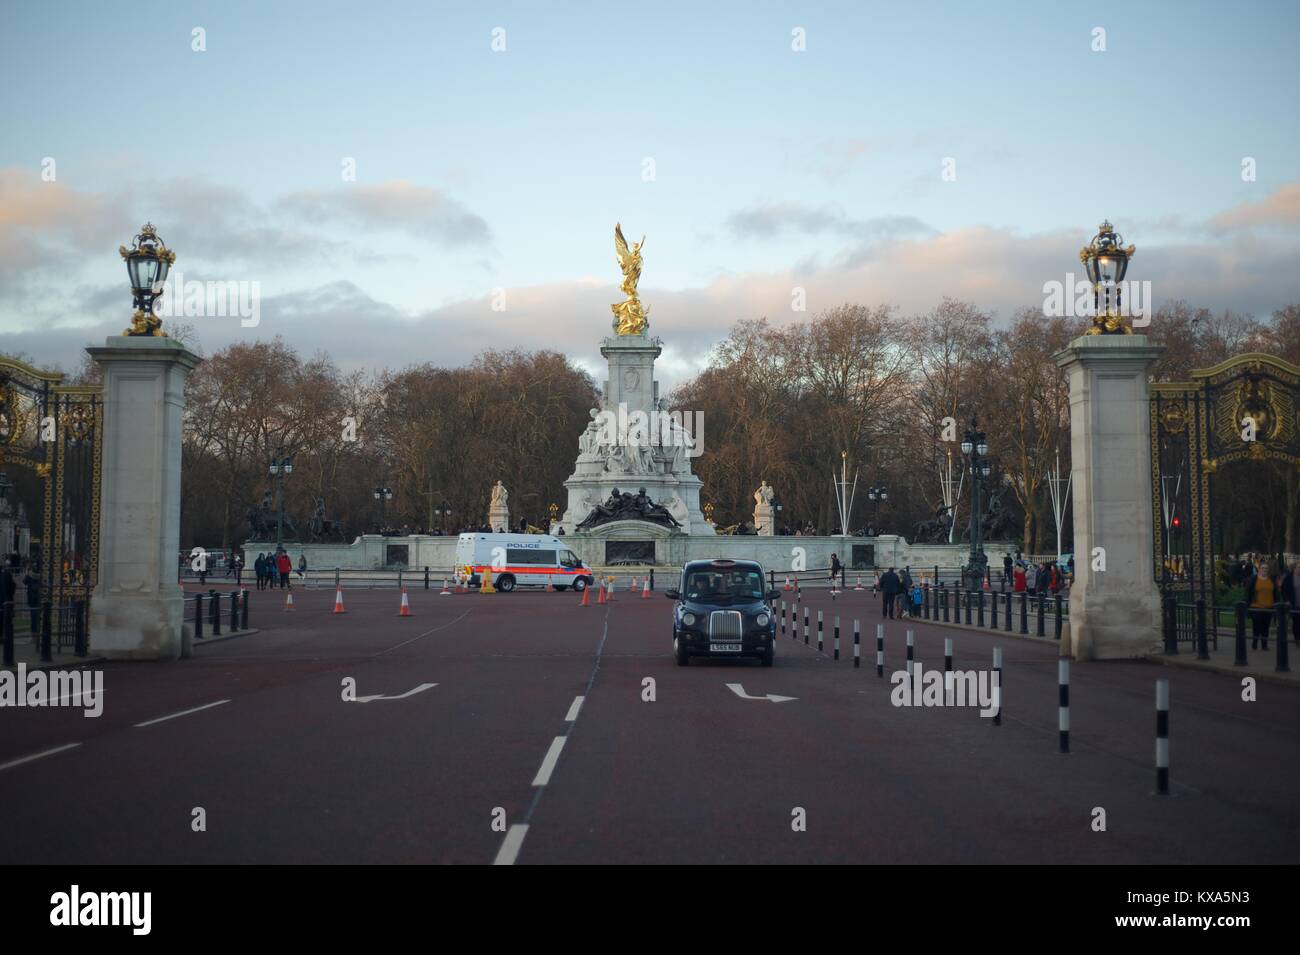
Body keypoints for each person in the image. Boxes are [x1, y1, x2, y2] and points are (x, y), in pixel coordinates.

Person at [1246, 559, 1278, 650]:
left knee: (1266, 627)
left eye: (1266, 568)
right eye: (1263, 568)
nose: (1264, 570)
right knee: (1257, 626)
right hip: (1256, 607)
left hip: (1269, 607)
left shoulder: (1271, 580)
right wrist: (1248, 606)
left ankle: (1264, 645)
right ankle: (1255, 643)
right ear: (1259, 569)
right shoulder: (1254, 579)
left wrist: (1276, 604)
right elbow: (1248, 593)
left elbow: (1275, 593)